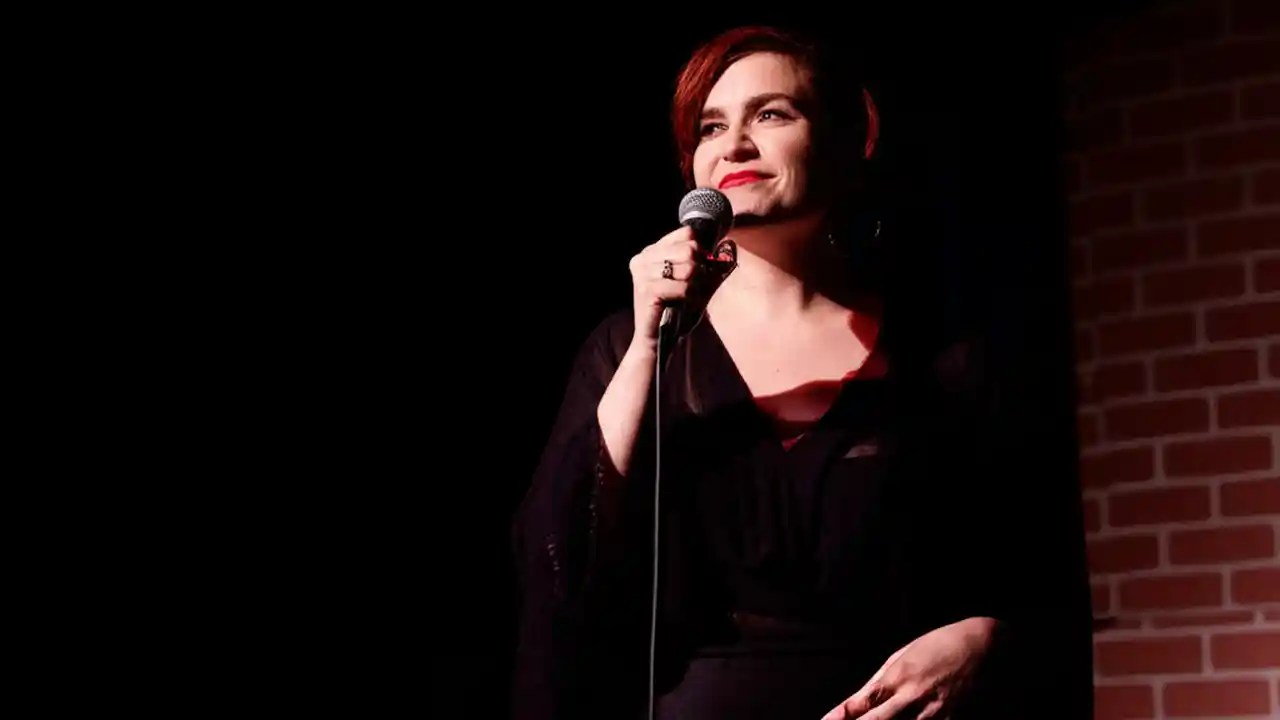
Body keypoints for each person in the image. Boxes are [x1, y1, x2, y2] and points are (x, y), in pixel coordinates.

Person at [509, 24, 1091, 720]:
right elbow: (557, 567)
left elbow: (1039, 579)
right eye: (710, 127)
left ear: (849, 141)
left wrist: (986, 639)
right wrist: (644, 345)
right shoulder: (627, 347)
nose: (734, 145)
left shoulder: (945, 359)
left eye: (772, 114)